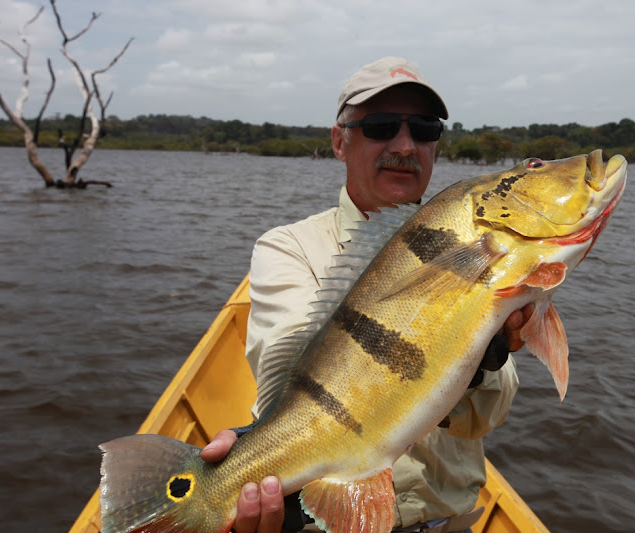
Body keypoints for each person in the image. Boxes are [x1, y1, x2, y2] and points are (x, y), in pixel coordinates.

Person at [201, 57, 530, 533]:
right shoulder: (288, 247)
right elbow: (285, 370)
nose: (404, 145)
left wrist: (481, 366)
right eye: (379, 126)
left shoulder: (478, 249)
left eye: (424, 129)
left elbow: (489, 413)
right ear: (339, 141)